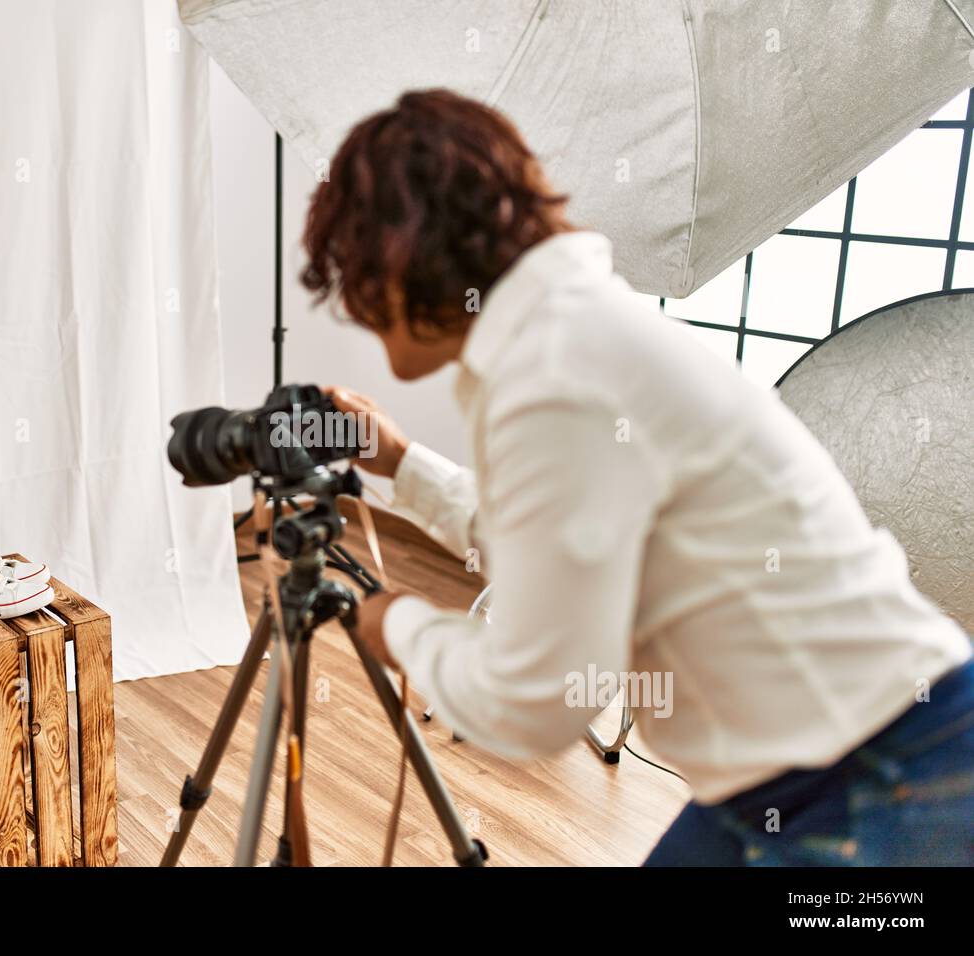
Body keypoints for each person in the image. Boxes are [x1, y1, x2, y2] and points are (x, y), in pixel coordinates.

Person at [301, 89, 974, 865]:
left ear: (397, 259)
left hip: (886, 769)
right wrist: (401, 463)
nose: (352, 302)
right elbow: (547, 546)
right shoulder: (571, 336)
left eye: (352, 273)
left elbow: (535, 704)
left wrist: (398, 627)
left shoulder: (552, 373)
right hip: (833, 754)